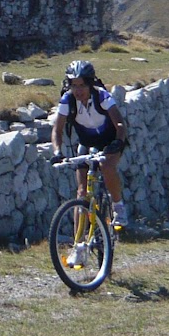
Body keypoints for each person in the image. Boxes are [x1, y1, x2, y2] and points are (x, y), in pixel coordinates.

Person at [50, 59, 131, 229]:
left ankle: (118, 207)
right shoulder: (67, 100)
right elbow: (57, 130)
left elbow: (120, 124)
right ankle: (78, 243)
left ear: (90, 84)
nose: (78, 90)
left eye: (82, 85)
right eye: (74, 85)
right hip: (86, 142)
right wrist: (57, 151)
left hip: (110, 140)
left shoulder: (101, 95)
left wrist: (118, 143)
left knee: (107, 166)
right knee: (81, 192)